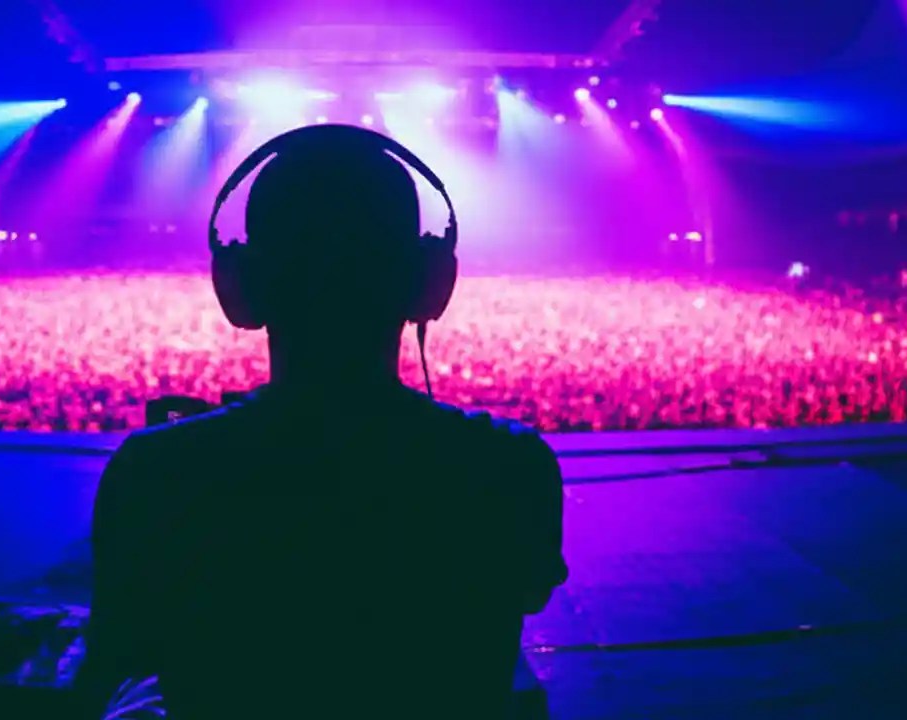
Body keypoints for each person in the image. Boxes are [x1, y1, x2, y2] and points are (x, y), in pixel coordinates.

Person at [81, 125, 569, 719]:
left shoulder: (156, 472)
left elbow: (112, 665)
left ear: (237, 287)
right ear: (432, 283)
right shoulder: (509, 467)